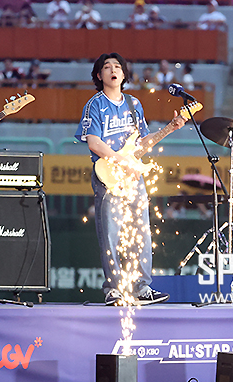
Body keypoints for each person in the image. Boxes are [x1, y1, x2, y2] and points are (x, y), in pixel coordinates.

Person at [75, 52, 186, 305]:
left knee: (141, 232)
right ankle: (113, 288)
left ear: (124, 74)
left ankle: (140, 287)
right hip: (108, 175)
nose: (113, 70)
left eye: (118, 66)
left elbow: (142, 143)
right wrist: (121, 161)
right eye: (107, 67)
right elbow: (94, 142)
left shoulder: (134, 104)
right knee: (111, 234)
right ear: (99, 75)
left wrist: (170, 127)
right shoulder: (95, 105)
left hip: (133, 176)